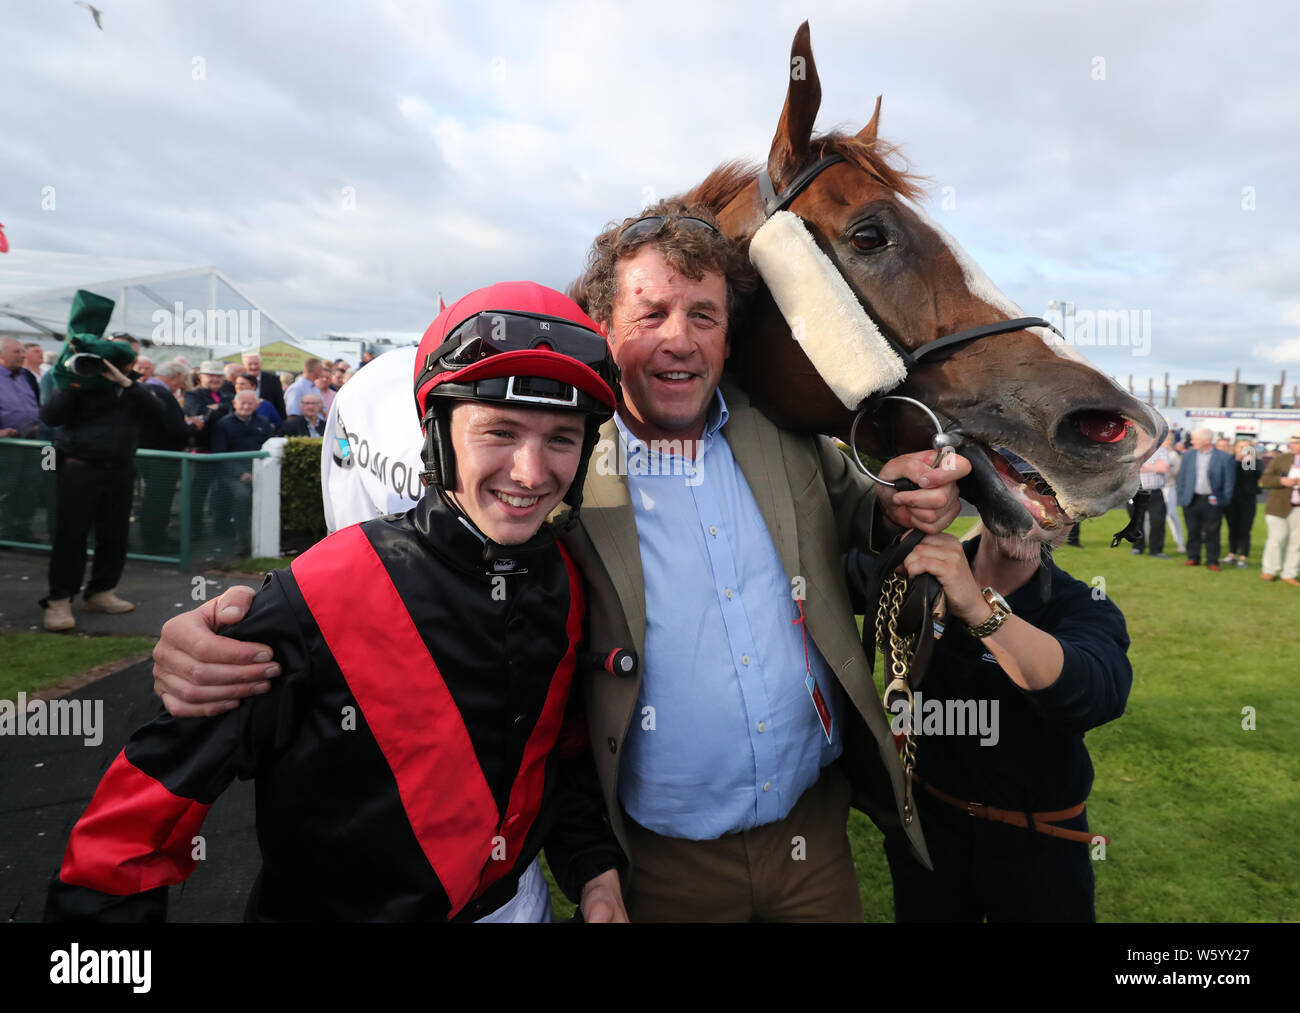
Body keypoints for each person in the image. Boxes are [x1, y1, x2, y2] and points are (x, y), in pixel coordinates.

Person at [152, 203, 968, 922]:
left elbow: (855, 508)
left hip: (812, 832)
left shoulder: (780, 432)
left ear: (730, 333)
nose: (678, 339)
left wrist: (900, 497)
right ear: (605, 330)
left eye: (704, 315)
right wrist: (245, 623)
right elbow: (422, 561)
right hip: (663, 858)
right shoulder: (556, 464)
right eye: (650, 314)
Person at [46, 281, 628, 923]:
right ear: (435, 433)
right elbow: (134, 825)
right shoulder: (325, 587)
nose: (530, 471)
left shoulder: (564, 583)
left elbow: (552, 755)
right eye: (500, 430)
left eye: (562, 440)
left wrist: (593, 870)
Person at [847, 482, 1131, 921]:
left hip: (1038, 844)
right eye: (1024, 484)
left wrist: (980, 612)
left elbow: (1096, 690)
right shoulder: (916, 567)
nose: (1038, 504)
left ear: (1074, 515)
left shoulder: (1081, 606)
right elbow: (811, 567)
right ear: (985, 486)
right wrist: (890, 513)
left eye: (1057, 493)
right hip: (928, 829)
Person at [38, 299, 164, 631]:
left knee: (115, 535)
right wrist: (73, 381)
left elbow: (162, 420)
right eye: (118, 355)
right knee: (71, 536)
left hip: (120, 469)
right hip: (79, 468)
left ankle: (102, 591)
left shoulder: (135, 389)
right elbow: (51, 416)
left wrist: (126, 384)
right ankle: (59, 600)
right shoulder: (83, 382)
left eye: (129, 356)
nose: (123, 361)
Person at [210, 390, 276, 555]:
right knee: (242, 495)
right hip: (233, 474)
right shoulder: (223, 424)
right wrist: (240, 474)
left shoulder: (264, 422)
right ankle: (242, 539)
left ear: (256, 405)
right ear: (234, 404)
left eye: (250, 403)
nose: (246, 407)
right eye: (242, 403)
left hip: (261, 472)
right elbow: (220, 455)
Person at [0, 337, 43, 542]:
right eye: (16, 352)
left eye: (22, 351)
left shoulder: (27, 376)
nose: (22, 355)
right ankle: (4, 533)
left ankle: (23, 531)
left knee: (30, 488)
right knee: (6, 490)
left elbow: (37, 403)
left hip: (31, 442)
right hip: (6, 446)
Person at [1175, 427, 1234, 570]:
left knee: (1212, 531)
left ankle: (1212, 561)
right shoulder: (1188, 456)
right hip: (1191, 499)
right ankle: (1193, 557)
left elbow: (1229, 482)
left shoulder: (1225, 458)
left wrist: (1223, 501)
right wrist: (1182, 498)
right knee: (1192, 530)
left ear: (1207, 440)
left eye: (1195, 439)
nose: (1192, 442)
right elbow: (1181, 478)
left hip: (1213, 501)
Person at [1259, 429, 1300, 586]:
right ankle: (1269, 570)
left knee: (1297, 542)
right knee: (1276, 539)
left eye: (1295, 442)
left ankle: (1289, 573)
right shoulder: (1281, 459)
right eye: (1292, 442)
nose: (1292, 445)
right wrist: (1282, 481)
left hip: (1298, 507)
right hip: (1278, 505)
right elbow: (1266, 479)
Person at [1130, 434, 1175, 558]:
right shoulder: (1133, 450)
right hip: (1135, 492)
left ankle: (1156, 550)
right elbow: (1130, 468)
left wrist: (1144, 467)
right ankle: (1138, 547)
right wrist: (1154, 466)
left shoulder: (1161, 450)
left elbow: (1164, 468)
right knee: (1136, 522)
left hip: (1155, 492)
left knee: (1158, 522)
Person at [1224, 439, 1260, 567]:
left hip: (1247, 500)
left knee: (1245, 529)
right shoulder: (1230, 460)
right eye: (1240, 447)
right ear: (1235, 448)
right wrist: (1237, 461)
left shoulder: (1254, 462)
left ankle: (1243, 557)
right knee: (1232, 528)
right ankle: (1232, 553)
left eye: (1246, 447)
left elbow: (1256, 477)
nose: (1243, 449)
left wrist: (1249, 463)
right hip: (1232, 500)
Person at [1159, 433, 1186, 553]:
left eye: (1170, 441)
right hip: (1154, 488)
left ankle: (1180, 542)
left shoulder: (1174, 455)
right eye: (1166, 441)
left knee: (1172, 515)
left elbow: (1178, 473)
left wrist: (1169, 469)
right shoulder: (1154, 454)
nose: (1168, 443)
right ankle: (1144, 542)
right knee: (1148, 517)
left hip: (1169, 487)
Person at [241, 351, 286, 419]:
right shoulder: (239, 380)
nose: (253, 367)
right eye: (250, 364)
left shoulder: (273, 380)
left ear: (261, 364)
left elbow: (280, 404)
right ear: (244, 365)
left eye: (256, 364)